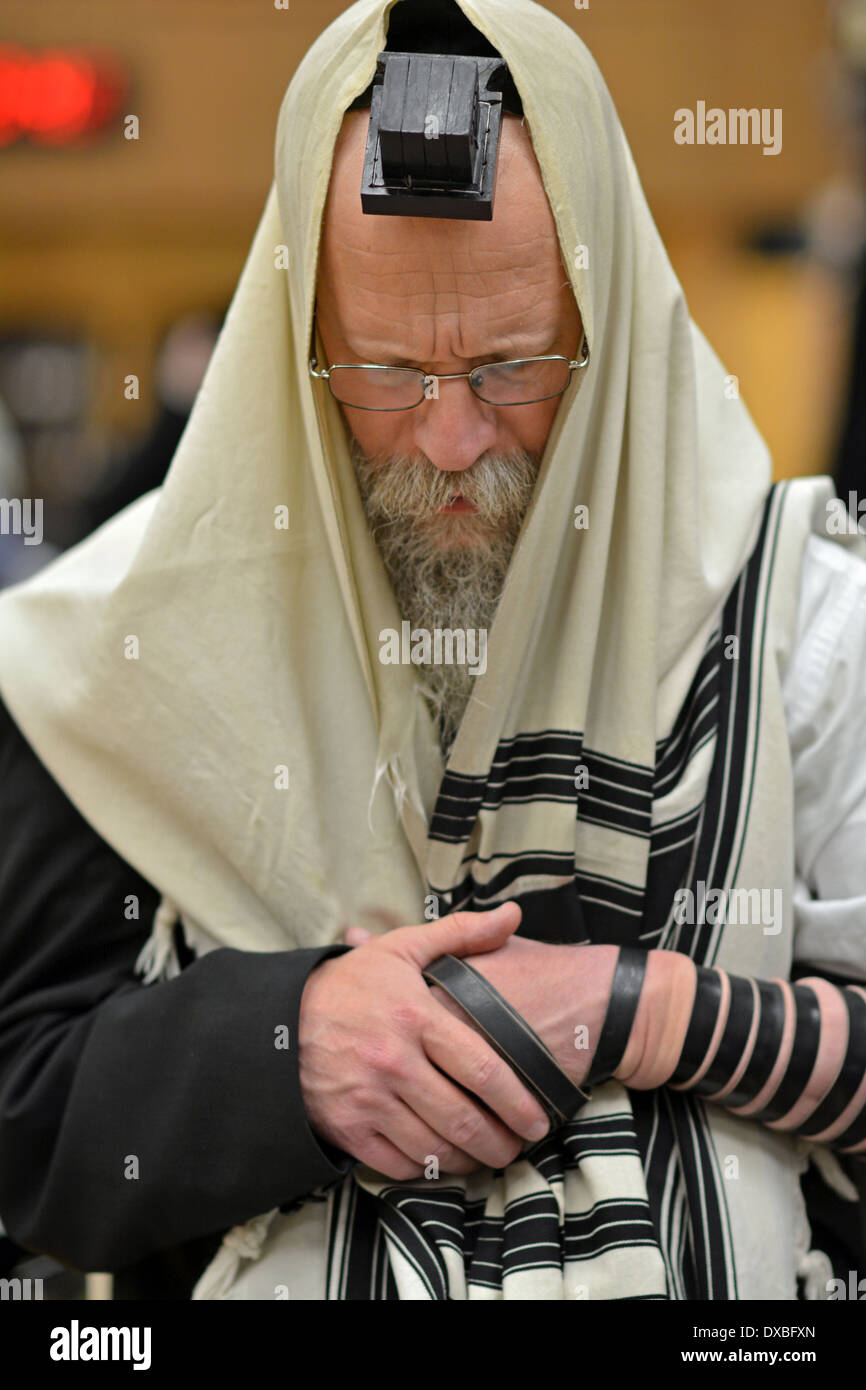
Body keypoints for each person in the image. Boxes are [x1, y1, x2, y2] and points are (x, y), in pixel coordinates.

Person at [0, 0, 865, 1301]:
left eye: (516, 364)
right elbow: (25, 1114)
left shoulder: (801, 614)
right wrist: (284, 1044)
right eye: (385, 370)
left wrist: (630, 1007)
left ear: (611, 318)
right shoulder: (121, 653)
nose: (451, 442)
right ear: (295, 347)